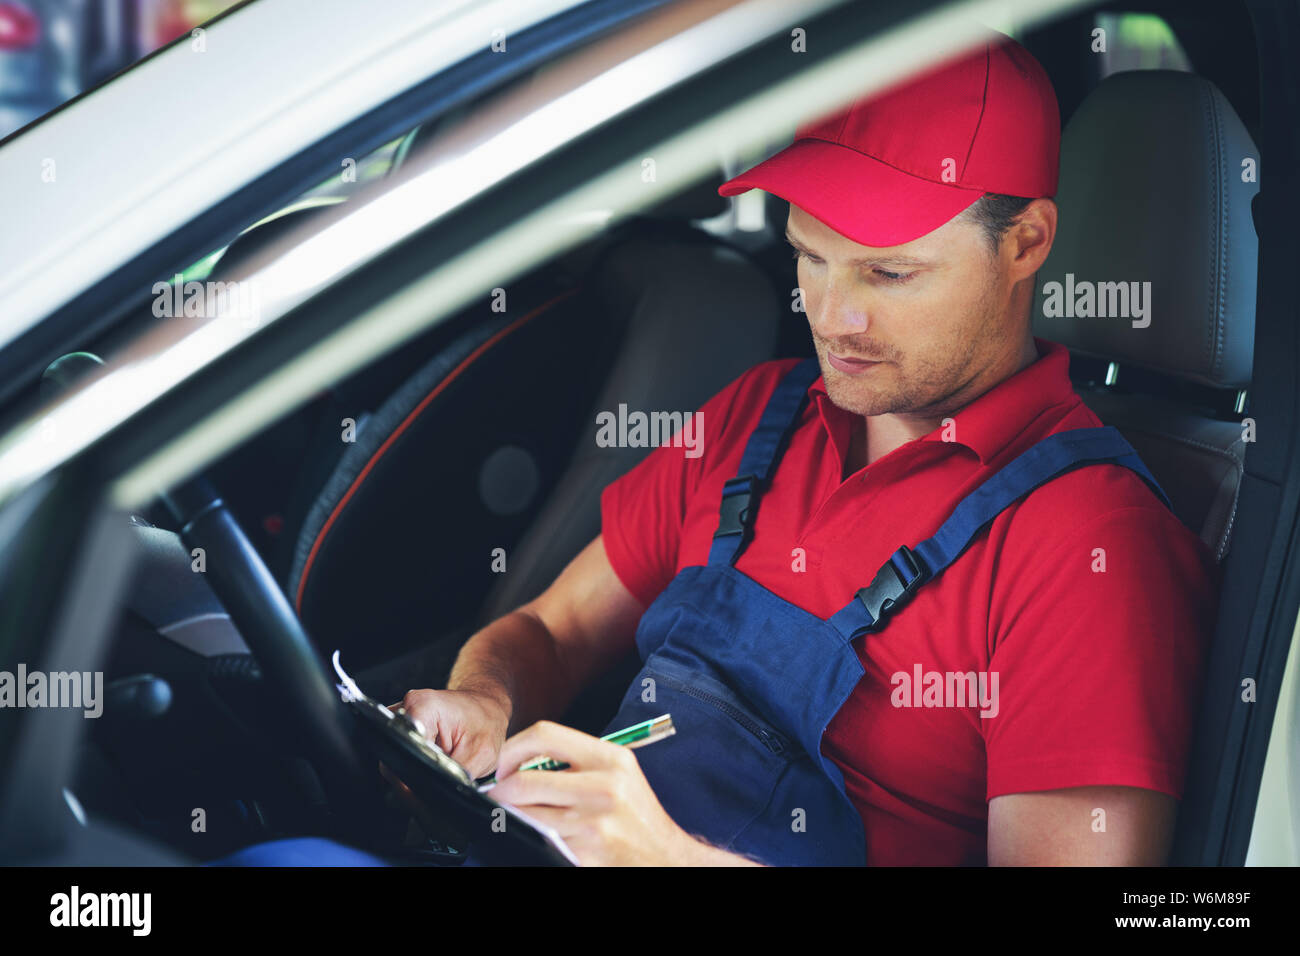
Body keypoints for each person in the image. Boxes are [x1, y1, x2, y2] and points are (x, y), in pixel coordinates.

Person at [395, 34, 1217, 866]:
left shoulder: (1092, 547)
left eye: (889, 275)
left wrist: (667, 859)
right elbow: (554, 628)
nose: (833, 318)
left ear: (1025, 244)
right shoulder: (760, 413)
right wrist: (483, 702)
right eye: (810, 258)